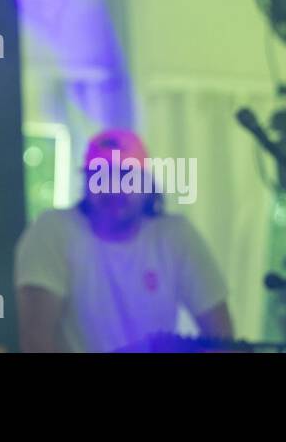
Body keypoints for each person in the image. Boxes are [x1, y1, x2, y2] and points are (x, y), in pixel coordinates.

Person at [14, 129, 232, 352]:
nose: (113, 187)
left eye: (126, 176)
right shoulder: (53, 230)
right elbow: (35, 341)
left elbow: (223, 339)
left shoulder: (176, 236)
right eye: (101, 176)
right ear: (86, 181)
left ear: (147, 183)